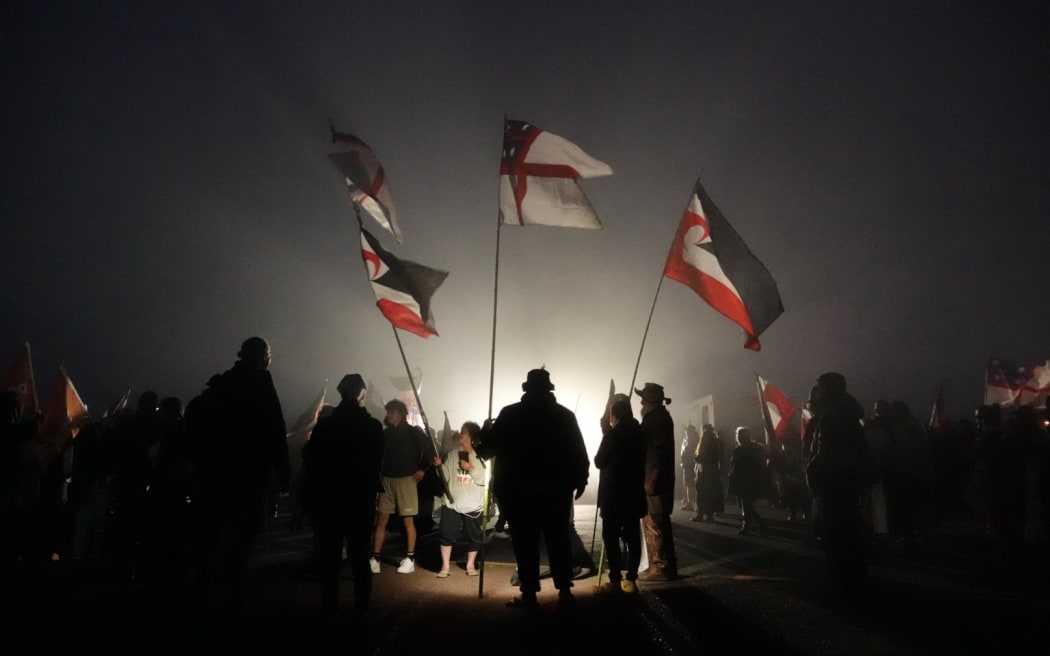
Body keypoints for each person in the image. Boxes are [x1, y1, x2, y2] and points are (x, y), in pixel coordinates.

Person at [185, 336, 291, 619]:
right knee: (240, 544)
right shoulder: (260, 385)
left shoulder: (219, 385)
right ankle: (231, 605)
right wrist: (284, 474)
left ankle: (205, 599)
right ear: (263, 358)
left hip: (212, 476)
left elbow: (194, 424)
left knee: (212, 540)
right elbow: (275, 431)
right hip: (247, 478)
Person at [475, 368, 589, 609]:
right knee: (558, 540)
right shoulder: (564, 416)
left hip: (518, 491)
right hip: (555, 490)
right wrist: (580, 480)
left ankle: (529, 594)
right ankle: (565, 591)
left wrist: (483, 432)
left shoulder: (510, 414)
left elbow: (486, 452)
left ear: (526, 389)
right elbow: (579, 453)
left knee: (525, 542)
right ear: (549, 390)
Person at [300, 374, 384, 617]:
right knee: (359, 555)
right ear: (361, 394)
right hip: (359, 498)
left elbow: (310, 456)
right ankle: (361, 608)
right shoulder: (372, 427)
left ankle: (330, 606)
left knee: (330, 555)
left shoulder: (326, 426)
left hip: (329, 497)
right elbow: (376, 462)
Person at [805, 372, 879, 597]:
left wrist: (812, 474)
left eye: (820, 389)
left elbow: (826, 455)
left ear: (829, 391)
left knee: (836, 536)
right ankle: (853, 580)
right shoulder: (847, 415)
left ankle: (845, 586)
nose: (817, 394)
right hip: (848, 485)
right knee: (849, 534)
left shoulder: (833, 417)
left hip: (835, 486)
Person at [370, 399, 432, 575]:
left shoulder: (414, 433)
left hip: (406, 479)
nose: (389, 415)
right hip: (387, 479)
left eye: (392, 412)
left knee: (408, 520)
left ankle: (410, 557)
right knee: (382, 518)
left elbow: (428, 452)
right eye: (388, 412)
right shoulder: (385, 434)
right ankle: (375, 557)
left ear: (401, 414)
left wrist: (422, 468)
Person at [594, 394, 646, 594]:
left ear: (615, 416)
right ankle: (631, 578)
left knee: (611, 537)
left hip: (614, 494)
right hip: (634, 492)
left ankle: (615, 579)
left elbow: (600, 461)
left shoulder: (613, 435)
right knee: (633, 537)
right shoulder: (640, 433)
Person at [635, 382, 678, 581]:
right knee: (654, 521)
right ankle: (659, 564)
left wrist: (651, 478)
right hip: (657, 478)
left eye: (644, 398)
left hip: (656, 481)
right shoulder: (658, 417)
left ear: (651, 400)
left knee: (656, 521)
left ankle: (661, 567)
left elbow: (659, 452)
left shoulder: (656, 419)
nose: (641, 401)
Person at [434, 421, 486, 578]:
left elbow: (484, 480)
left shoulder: (482, 457)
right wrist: (439, 467)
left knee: (473, 536)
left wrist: (470, 468)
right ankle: (445, 566)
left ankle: (470, 565)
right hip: (452, 503)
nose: (460, 435)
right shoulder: (452, 454)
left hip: (473, 505)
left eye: (463, 433)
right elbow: (446, 478)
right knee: (446, 533)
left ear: (471, 437)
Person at [728, 426, 765, 534]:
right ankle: (761, 522)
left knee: (746, 503)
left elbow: (757, 464)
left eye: (741, 435)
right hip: (740, 479)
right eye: (738, 435)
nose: (738, 437)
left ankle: (747, 525)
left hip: (749, 479)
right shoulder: (738, 448)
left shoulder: (753, 448)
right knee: (742, 504)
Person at [692, 424, 725, 522]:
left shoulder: (711, 444)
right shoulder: (715, 443)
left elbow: (709, 458)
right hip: (709, 472)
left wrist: (700, 459)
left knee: (703, 493)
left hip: (706, 472)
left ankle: (702, 515)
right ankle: (706, 515)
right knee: (708, 494)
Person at [679, 424, 700, 512]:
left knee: (691, 485)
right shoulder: (687, 441)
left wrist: (689, 463)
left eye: (688, 432)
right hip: (687, 466)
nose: (686, 433)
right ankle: (689, 502)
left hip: (691, 466)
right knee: (688, 484)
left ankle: (692, 504)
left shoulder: (694, 442)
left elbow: (694, 454)